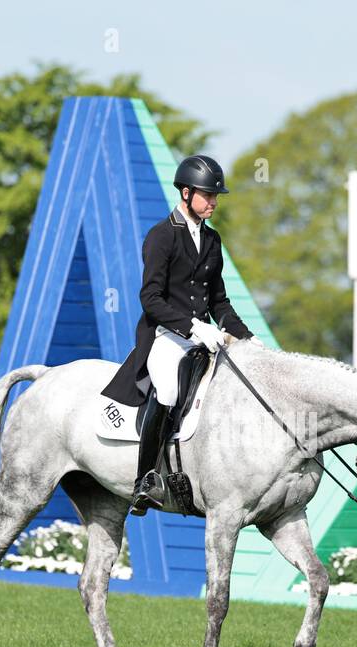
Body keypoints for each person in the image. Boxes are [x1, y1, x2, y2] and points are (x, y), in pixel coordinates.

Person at [101, 154, 255, 516]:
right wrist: (191, 326)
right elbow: (150, 298)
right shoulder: (161, 236)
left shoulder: (213, 240)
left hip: (204, 339)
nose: (214, 202)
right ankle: (146, 479)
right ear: (186, 193)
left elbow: (219, 301)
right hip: (165, 336)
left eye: (216, 196)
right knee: (168, 389)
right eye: (208, 195)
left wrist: (247, 339)